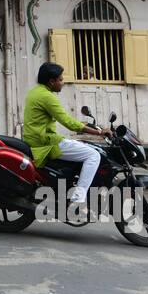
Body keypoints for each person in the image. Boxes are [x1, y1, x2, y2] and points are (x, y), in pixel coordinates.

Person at [23, 62, 111, 206]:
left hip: (36, 138)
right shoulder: (47, 97)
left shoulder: (35, 92)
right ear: (52, 82)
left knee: (82, 147)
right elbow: (68, 122)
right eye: (61, 79)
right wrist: (99, 133)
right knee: (93, 155)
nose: (63, 83)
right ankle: (78, 199)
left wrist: (88, 126)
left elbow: (68, 120)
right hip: (46, 142)